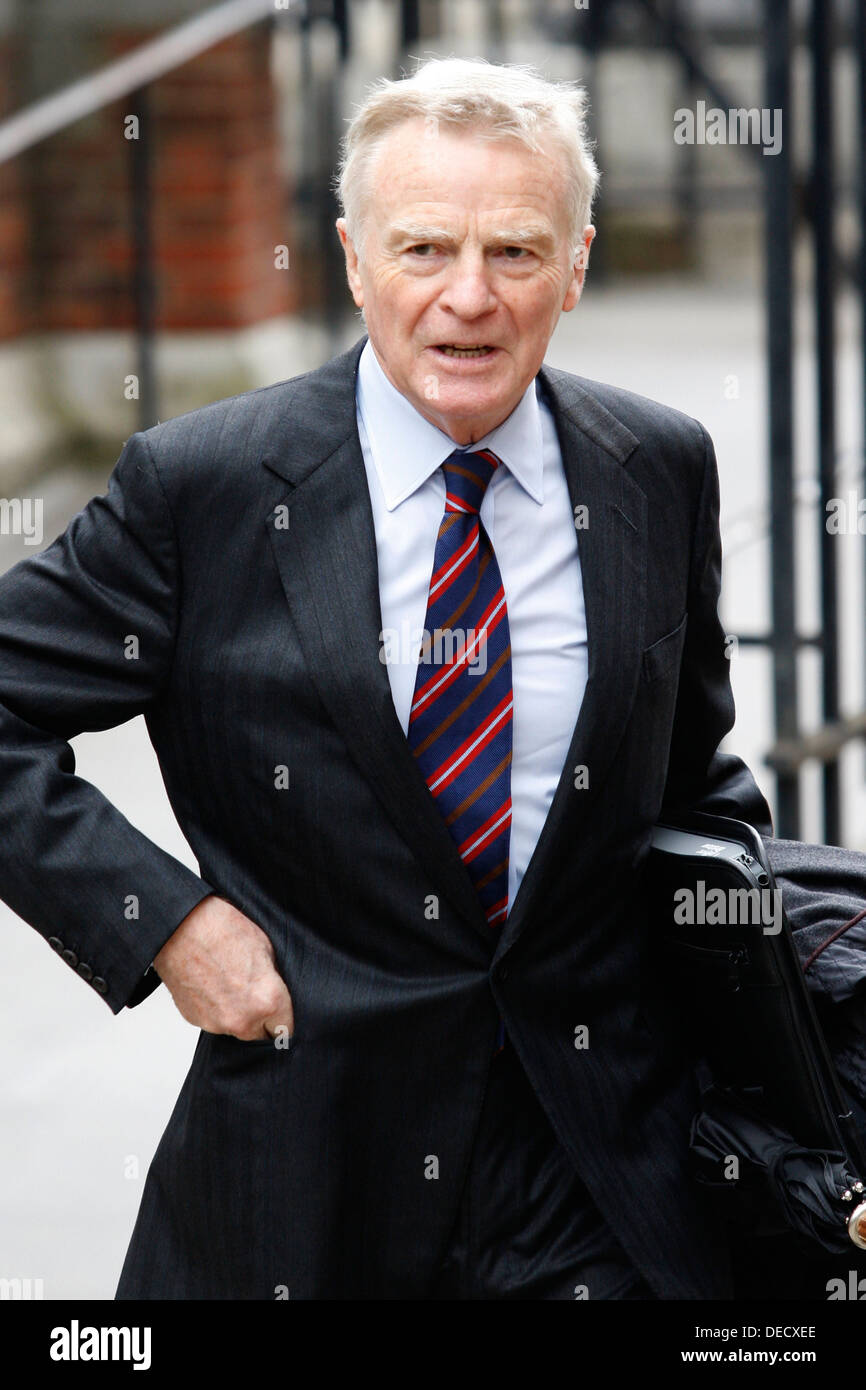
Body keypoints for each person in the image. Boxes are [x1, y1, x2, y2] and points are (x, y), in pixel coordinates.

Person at [0, 56, 773, 1300]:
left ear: (575, 267)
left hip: (597, 1169)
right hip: (307, 1170)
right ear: (355, 258)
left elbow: (691, 779)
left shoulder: (654, 468)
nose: (466, 298)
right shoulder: (204, 487)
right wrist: (166, 926)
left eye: (514, 254)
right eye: (422, 250)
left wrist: (760, 977)